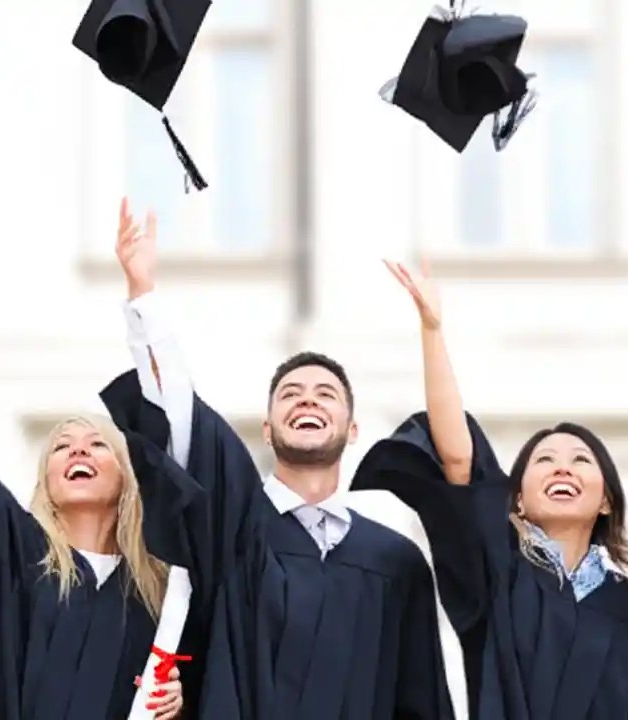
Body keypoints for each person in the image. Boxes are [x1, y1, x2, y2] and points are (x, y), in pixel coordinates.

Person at [101, 200, 454, 719]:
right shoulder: (234, 530)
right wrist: (143, 297)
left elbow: (423, 704)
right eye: (290, 393)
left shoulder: (396, 562)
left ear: (353, 430)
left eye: (325, 394)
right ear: (267, 429)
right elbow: (179, 414)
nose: (307, 399)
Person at [348, 260, 628, 719]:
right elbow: (459, 460)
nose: (562, 469)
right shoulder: (496, 579)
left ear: (606, 499)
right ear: (519, 501)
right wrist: (432, 330)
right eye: (544, 461)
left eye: (580, 461)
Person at [0, 266, 200, 719]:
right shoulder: (22, 556)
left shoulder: (156, 590)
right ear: (46, 483)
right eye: (61, 447)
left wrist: (176, 701)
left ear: (126, 478)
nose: (78, 450)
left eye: (97, 444)